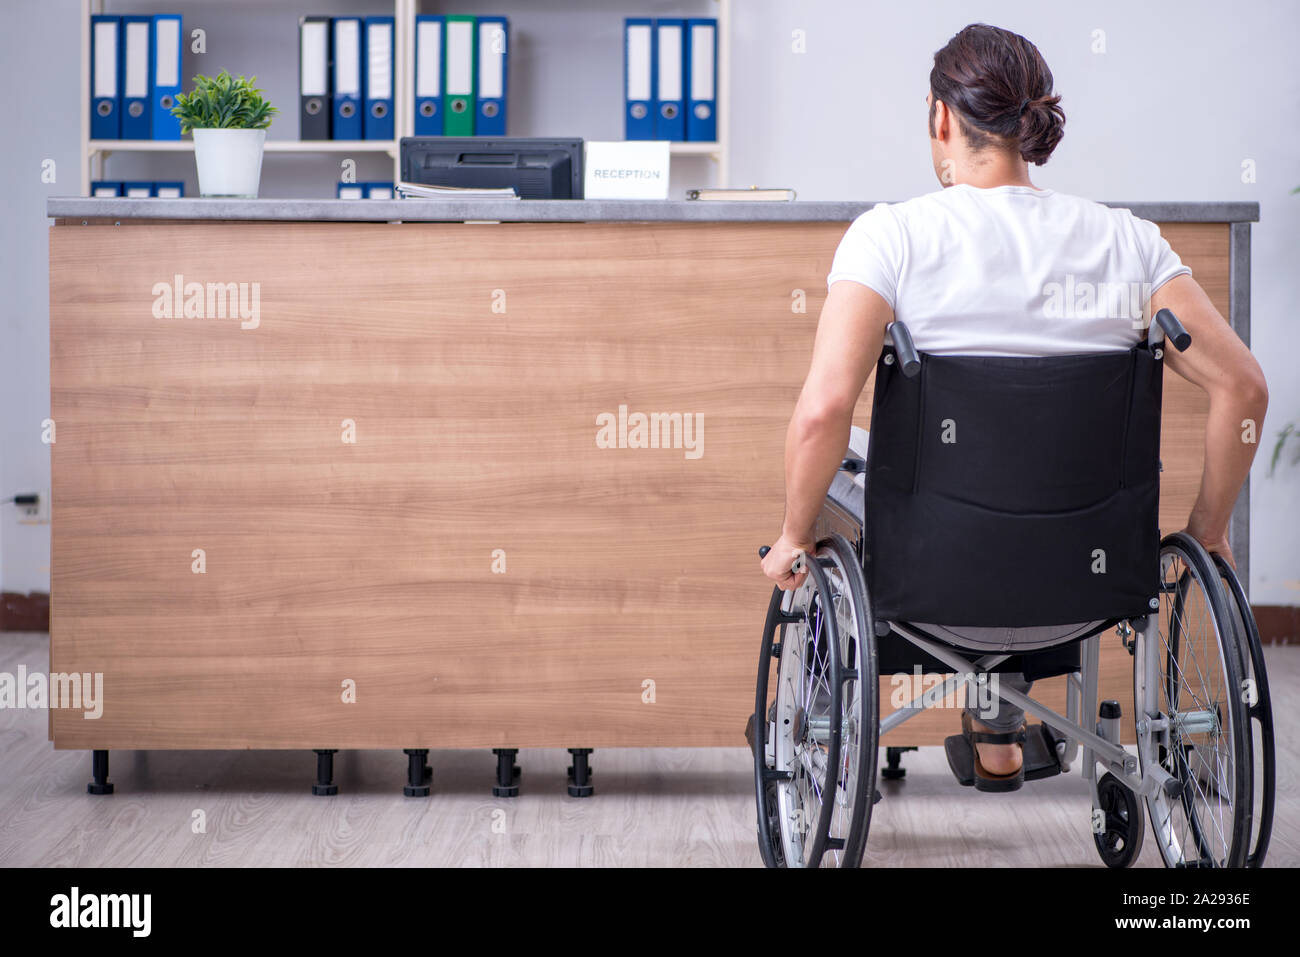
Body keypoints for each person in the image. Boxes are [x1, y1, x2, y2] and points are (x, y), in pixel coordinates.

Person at [760, 22, 1268, 789]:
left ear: (941, 117)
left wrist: (793, 536)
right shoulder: (1127, 244)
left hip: (932, 582)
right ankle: (1000, 723)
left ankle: (838, 712)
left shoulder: (890, 237)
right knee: (1034, 481)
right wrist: (1209, 532)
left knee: (841, 470)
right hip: (1088, 586)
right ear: (1031, 122)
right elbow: (1246, 387)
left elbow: (823, 410)